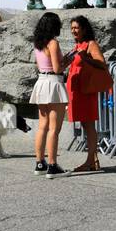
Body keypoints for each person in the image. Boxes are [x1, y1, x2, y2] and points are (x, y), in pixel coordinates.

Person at [30, 12, 68, 177]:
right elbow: (57, 68)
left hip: (41, 82)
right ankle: (53, 164)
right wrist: (69, 60)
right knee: (54, 128)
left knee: (42, 126)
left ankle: (40, 163)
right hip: (53, 83)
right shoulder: (53, 43)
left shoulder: (38, 43)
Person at [67, 15, 108, 173]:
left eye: (76, 28)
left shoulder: (90, 44)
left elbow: (101, 63)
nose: (73, 31)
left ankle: (90, 161)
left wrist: (86, 59)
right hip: (78, 91)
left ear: (84, 28)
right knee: (86, 124)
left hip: (85, 90)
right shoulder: (77, 45)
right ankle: (93, 159)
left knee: (89, 124)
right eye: (72, 28)